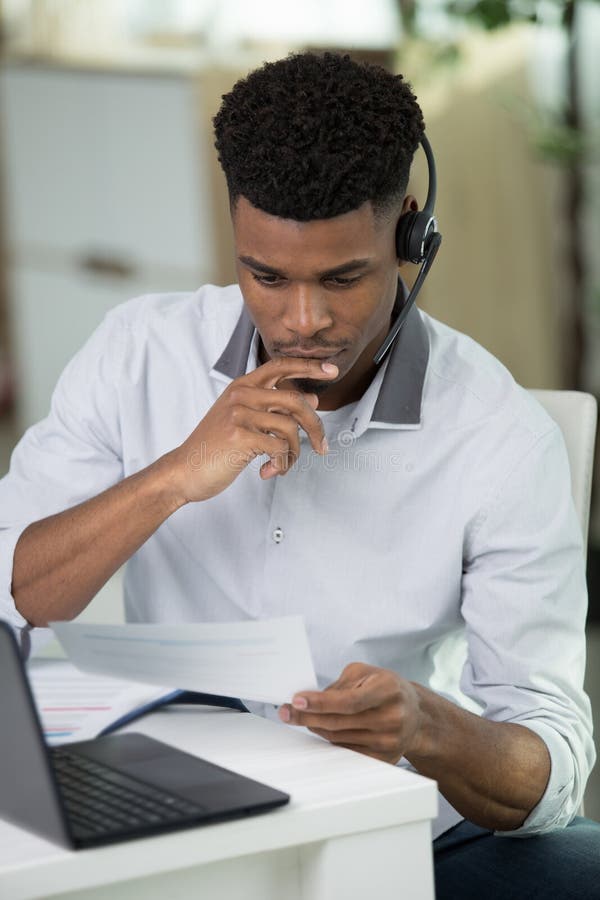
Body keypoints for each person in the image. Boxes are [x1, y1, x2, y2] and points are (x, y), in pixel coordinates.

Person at [0, 51, 598, 895]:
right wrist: (175, 476)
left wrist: (427, 727)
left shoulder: (499, 437)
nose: (303, 320)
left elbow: (552, 770)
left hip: (397, 825)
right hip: (178, 801)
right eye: (267, 276)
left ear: (410, 235)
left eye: (343, 278)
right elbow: (13, 590)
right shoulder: (137, 353)